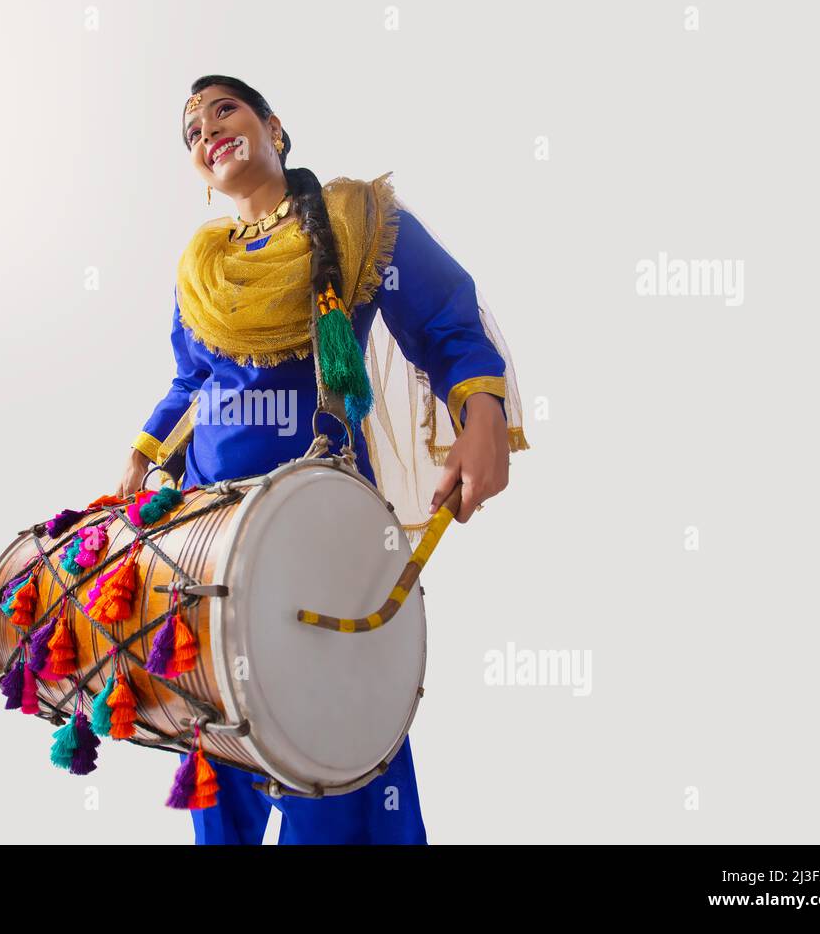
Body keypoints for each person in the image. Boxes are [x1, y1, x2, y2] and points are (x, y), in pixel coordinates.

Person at [116, 75, 530, 845]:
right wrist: (142, 459)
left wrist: (481, 414)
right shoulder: (201, 270)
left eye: (223, 109)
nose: (208, 130)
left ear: (274, 126)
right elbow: (192, 381)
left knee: (333, 738)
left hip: (322, 525)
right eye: (191, 131)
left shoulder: (355, 219)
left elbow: (446, 318)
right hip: (207, 534)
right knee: (217, 740)